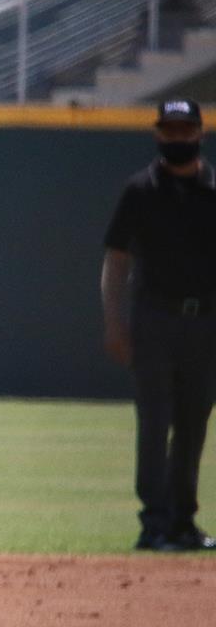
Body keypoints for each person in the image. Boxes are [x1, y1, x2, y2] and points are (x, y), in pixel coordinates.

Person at [101, 98, 216, 552]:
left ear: (200, 133)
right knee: (154, 421)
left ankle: (182, 522)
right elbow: (116, 259)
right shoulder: (140, 190)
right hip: (154, 319)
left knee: (193, 424)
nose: (178, 137)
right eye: (170, 130)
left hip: (205, 321)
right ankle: (154, 523)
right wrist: (114, 323)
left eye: (185, 130)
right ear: (157, 134)